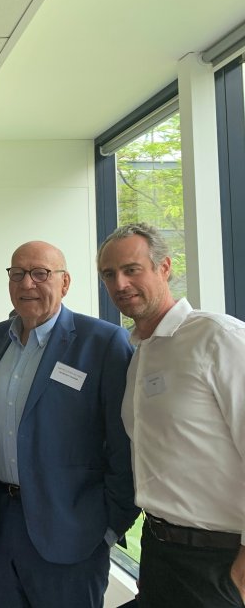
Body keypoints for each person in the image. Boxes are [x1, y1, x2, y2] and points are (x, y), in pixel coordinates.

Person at [0, 241, 138, 608]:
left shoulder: (102, 342)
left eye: (41, 273)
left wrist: (109, 527)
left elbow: (125, 444)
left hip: (72, 531)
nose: (27, 284)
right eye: (17, 274)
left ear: (65, 283)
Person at [98, 223, 245, 608]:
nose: (120, 284)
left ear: (164, 268)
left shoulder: (218, 338)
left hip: (220, 559)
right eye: (109, 274)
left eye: (132, 269)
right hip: (160, 550)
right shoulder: (139, 355)